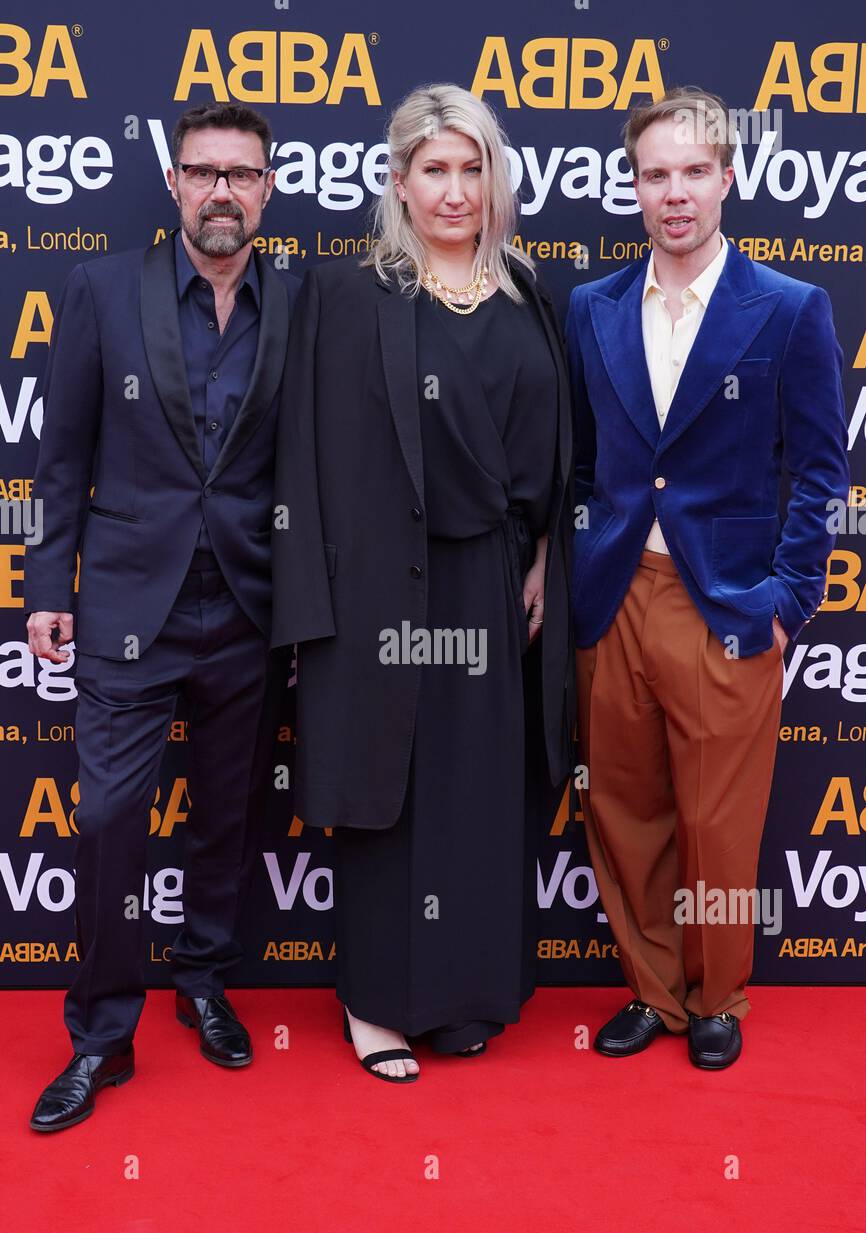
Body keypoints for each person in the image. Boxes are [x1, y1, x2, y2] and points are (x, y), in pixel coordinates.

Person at [270, 83, 574, 1082]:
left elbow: (557, 459)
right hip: (382, 593)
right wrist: (312, 617)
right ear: (398, 183)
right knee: (389, 795)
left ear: (495, 179)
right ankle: (377, 1005)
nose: (453, 191)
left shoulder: (535, 292)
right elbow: (306, 464)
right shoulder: (353, 296)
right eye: (433, 170)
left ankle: (459, 994)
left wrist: (535, 560)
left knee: (478, 795)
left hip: (495, 587)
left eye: (470, 168)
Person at [25, 101, 300, 1131]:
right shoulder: (102, 290)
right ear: (175, 184)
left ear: (267, 191)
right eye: (203, 172)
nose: (221, 190)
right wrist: (48, 590)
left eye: (241, 174)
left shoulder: (300, 303)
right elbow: (59, 463)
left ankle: (203, 976)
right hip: (130, 605)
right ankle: (101, 1032)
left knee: (227, 814)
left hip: (248, 603)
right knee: (104, 818)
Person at [565, 87, 849, 1069]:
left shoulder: (787, 307)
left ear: (726, 178)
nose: (673, 192)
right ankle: (650, 992)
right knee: (623, 813)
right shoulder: (589, 307)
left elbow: (818, 469)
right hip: (612, 602)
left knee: (717, 825)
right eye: (654, 174)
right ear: (631, 185)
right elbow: (580, 461)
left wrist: (788, 601)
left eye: (693, 172)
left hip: (726, 605)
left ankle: (715, 995)